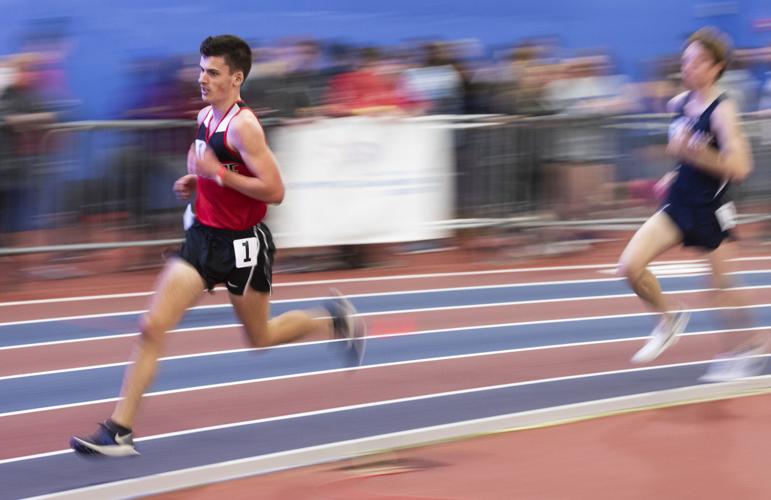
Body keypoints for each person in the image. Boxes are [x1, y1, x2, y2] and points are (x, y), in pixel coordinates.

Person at [70, 35, 366, 457]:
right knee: (151, 326)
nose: (202, 79)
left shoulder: (245, 127)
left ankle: (333, 321)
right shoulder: (205, 115)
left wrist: (218, 175)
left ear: (236, 78)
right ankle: (119, 431)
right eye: (201, 70)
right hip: (203, 238)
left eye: (212, 72)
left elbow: (275, 191)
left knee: (260, 337)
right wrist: (198, 180)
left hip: (244, 245)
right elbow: (214, 167)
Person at [618, 27, 766, 381]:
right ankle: (669, 318)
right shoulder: (680, 103)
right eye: (685, 60)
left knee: (720, 290)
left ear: (716, 67)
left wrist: (698, 154)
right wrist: (675, 172)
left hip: (711, 210)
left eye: (697, 61)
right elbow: (683, 152)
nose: (688, 67)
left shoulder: (722, 111)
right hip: (679, 203)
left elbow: (741, 167)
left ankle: (751, 346)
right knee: (630, 266)